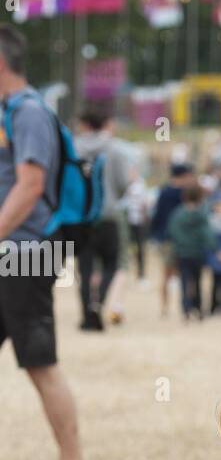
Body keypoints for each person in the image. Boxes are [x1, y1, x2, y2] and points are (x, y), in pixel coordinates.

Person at [0, 24, 89, 460]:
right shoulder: (10, 111)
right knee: (37, 361)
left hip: (26, 254)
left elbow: (31, 185)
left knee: (38, 361)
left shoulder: (29, 111)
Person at [72, 107, 135, 330]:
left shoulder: (74, 148)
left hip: (82, 217)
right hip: (108, 214)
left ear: (85, 124)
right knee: (111, 264)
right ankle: (99, 303)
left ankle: (87, 313)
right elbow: (125, 183)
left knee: (85, 269)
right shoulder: (115, 149)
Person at [150, 163, 194, 318]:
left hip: (165, 238)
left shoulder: (164, 191)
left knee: (166, 276)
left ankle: (165, 308)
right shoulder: (186, 193)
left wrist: (155, 234)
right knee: (185, 274)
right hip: (181, 239)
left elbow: (157, 215)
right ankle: (186, 306)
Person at [168, 183, 215, 320]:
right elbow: (207, 234)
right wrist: (214, 247)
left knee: (184, 281)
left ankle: (186, 309)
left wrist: (180, 246)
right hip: (198, 253)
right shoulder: (202, 214)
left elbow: (173, 232)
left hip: (182, 253)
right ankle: (198, 308)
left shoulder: (178, 213)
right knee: (197, 281)